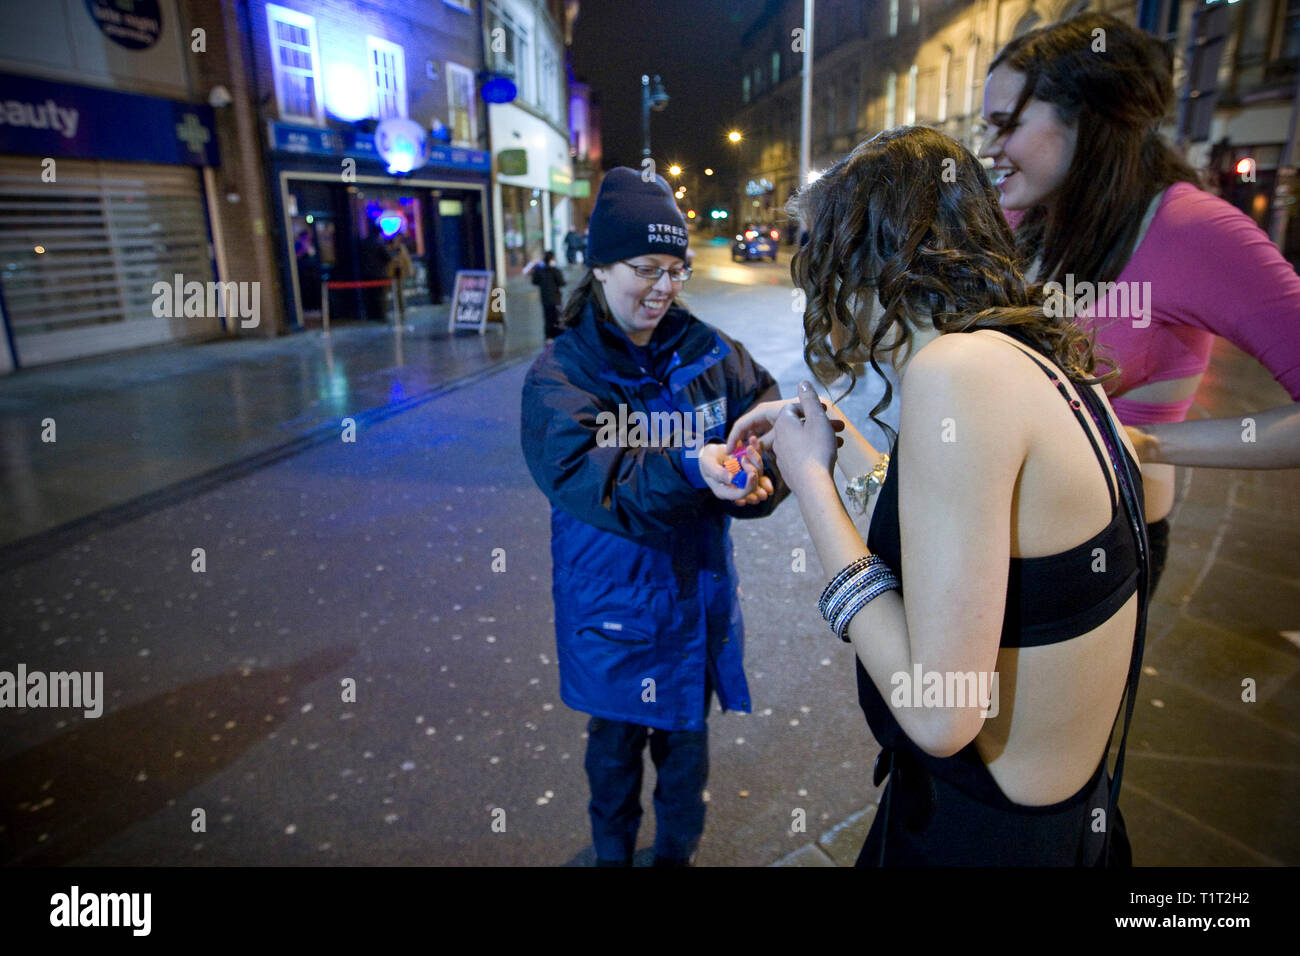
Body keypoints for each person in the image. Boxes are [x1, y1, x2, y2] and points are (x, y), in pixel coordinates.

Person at [730, 127, 1148, 865]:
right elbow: (943, 528)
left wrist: (809, 483)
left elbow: (938, 709)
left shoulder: (959, 374)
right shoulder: (1037, 357)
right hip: (1066, 826)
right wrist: (829, 439)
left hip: (980, 838)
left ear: (861, 260)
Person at [520, 167, 788, 866]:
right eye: (647, 268)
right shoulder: (562, 375)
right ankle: (613, 856)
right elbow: (591, 479)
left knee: (687, 760)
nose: (665, 287)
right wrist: (690, 467)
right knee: (612, 756)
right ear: (602, 266)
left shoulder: (712, 354)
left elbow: (763, 425)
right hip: (614, 612)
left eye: (677, 270)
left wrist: (760, 478)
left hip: (695, 602)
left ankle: (675, 858)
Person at [979, 12, 1300, 594]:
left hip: (1100, 552)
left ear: (1087, 122)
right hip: (989, 536)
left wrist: (1146, 443)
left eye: (1006, 125)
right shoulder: (1024, 212)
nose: (989, 149)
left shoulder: (1195, 230)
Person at [530, 250, 566, 341]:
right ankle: (557, 337)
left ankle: (549, 337)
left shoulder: (540, 271)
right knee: (557, 318)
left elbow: (534, 281)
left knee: (548, 318)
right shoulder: (555, 271)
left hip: (545, 299)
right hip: (556, 299)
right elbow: (562, 282)